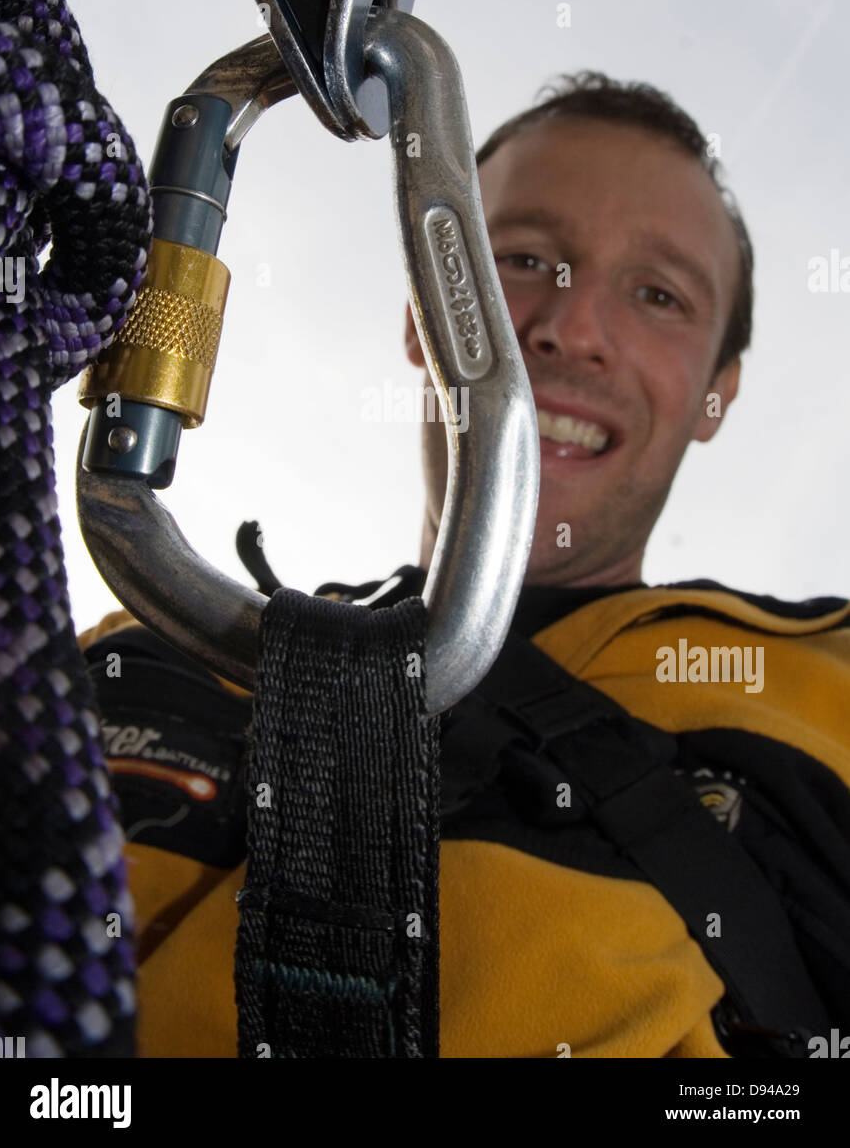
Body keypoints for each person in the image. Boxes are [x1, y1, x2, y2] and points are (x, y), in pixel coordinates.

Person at [78, 71, 850, 1059]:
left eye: (659, 294)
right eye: (524, 258)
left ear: (716, 395)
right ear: (424, 316)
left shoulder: (828, 690)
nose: (570, 328)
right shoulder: (147, 651)